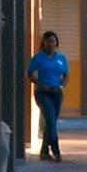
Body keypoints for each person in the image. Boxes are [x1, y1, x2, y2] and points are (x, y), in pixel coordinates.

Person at [27, 30, 69, 161]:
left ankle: (44, 152)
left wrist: (61, 86)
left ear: (56, 43)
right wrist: (39, 83)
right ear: (43, 43)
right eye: (48, 41)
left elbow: (66, 75)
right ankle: (56, 151)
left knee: (51, 123)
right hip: (43, 93)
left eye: (53, 41)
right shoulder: (38, 57)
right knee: (50, 120)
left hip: (57, 93)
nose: (50, 44)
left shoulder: (61, 58)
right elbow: (29, 73)